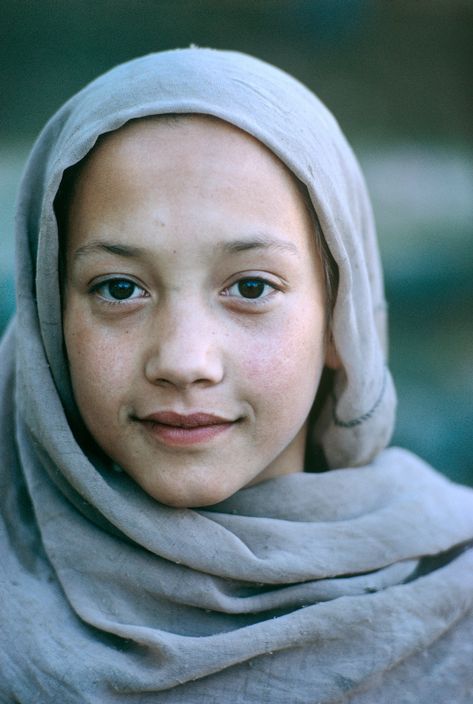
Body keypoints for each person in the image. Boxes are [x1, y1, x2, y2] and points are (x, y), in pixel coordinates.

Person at [0, 48, 472, 703]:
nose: (184, 361)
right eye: (117, 288)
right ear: (52, 321)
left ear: (342, 318)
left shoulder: (456, 595)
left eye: (250, 286)